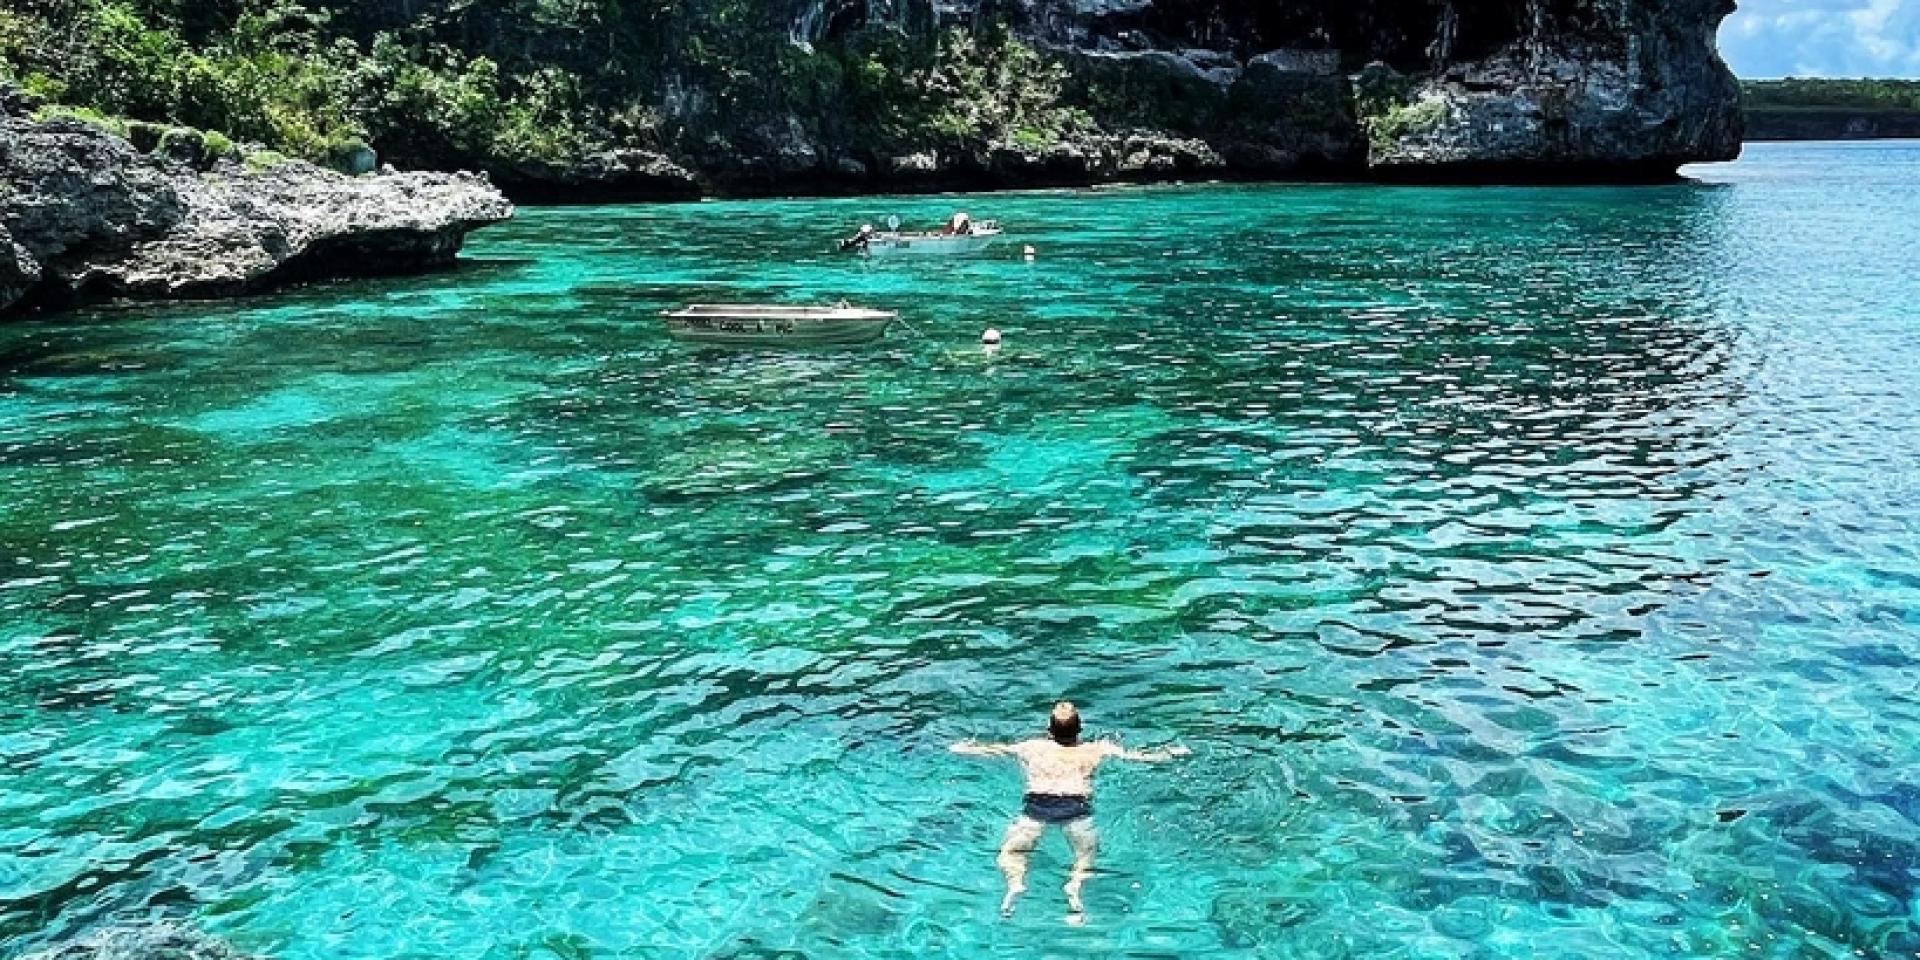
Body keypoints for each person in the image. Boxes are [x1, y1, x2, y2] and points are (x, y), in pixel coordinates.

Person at [951, 702, 1189, 921]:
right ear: (1080, 729)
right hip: (1076, 807)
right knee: (1085, 858)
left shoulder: (1032, 747)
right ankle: (1074, 886)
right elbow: (1135, 757)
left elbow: (994, 750)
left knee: (1010, 853)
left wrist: (963, 748)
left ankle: (1015, 884)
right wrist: (1170, 754)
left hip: (1037, 805)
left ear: (1049, 730)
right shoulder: (1095, 749)